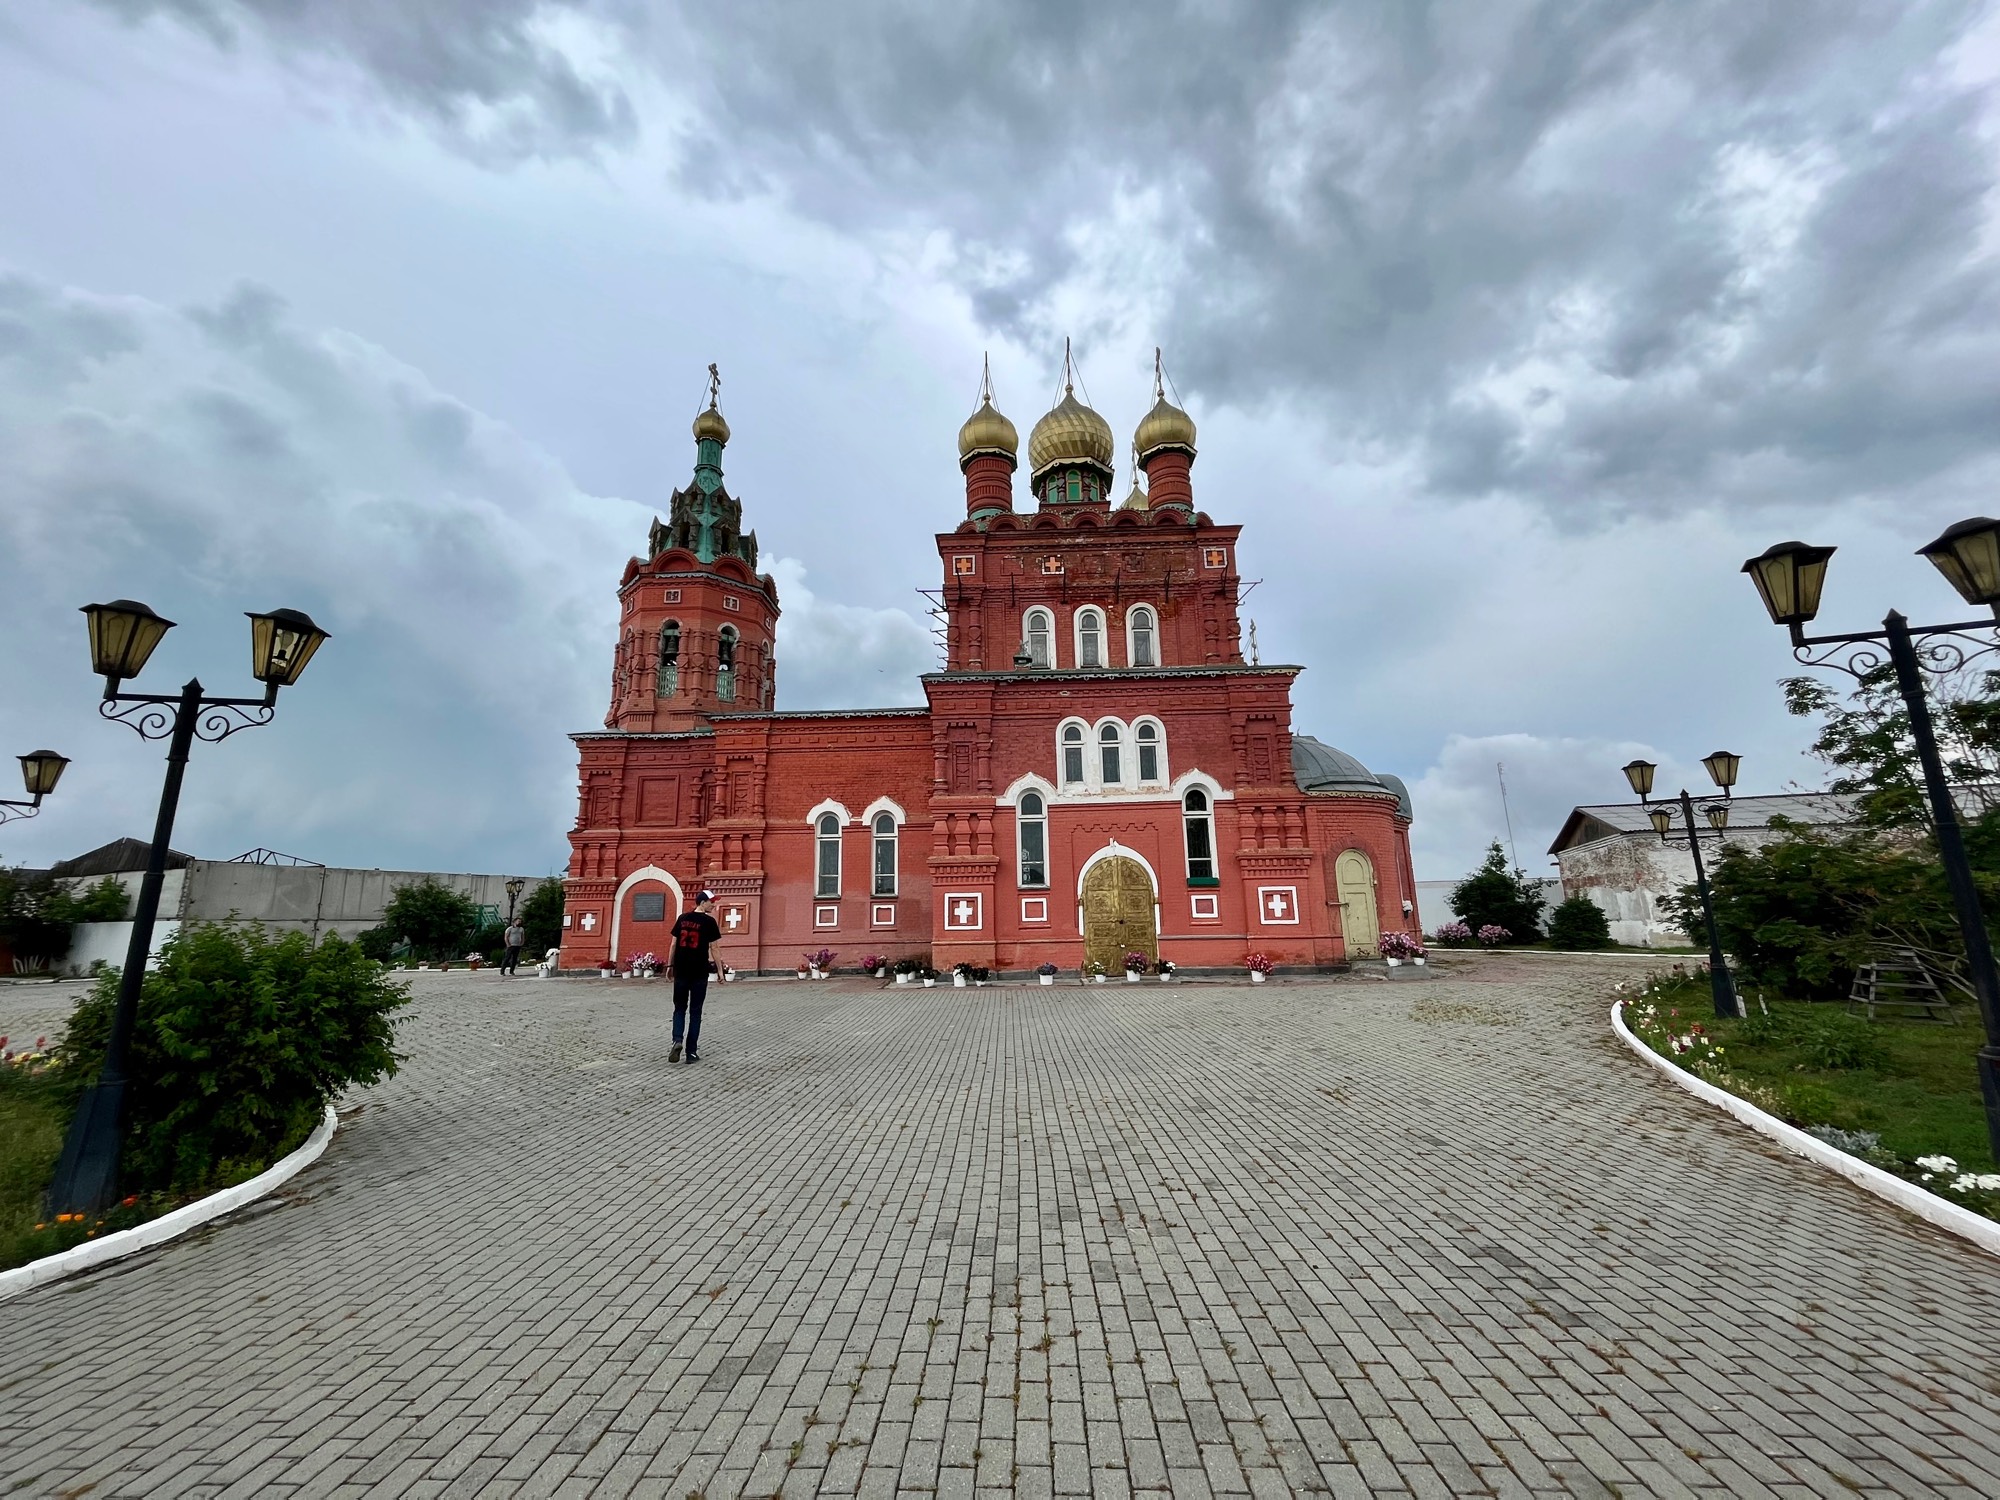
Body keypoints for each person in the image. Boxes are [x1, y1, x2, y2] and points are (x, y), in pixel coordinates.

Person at [668, 890, 722, 1063]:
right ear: (702, 902)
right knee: (696, 1012)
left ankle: (677, 1040)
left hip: (681, 970)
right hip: (699, 972)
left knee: (679, 1008)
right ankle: (691, 1053)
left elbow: (673, 944)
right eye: (711, 902)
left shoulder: (682, 918)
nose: (714, 905)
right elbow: (714, 948)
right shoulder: (709, 922)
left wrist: (670, 966)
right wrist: (720, 971)